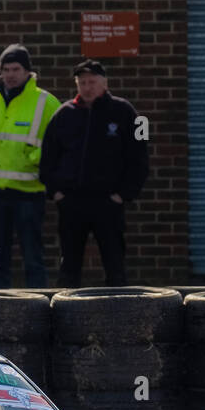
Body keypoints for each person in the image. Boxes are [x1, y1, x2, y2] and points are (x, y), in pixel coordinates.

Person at [40, 59, 149, 286]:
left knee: (115, 264)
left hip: (108, 202)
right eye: (82, 82)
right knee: (69, 266)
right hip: (71, 202)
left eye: (92, 82)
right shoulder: (63, 114)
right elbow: (48, 156)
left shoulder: (125, 112)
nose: (87, 87)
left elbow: (139, 157)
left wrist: (124, 194)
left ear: (104, 83)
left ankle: (119, 313)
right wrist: (56, 192)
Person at [0, 43, 61, 289]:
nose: (10, 74)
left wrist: (36, 157)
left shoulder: (45, 102)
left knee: (33, 257)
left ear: (28, 71)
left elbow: (61, 142)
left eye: (16, 68)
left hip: (29, 193)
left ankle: (40, 306)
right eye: (5, 69)